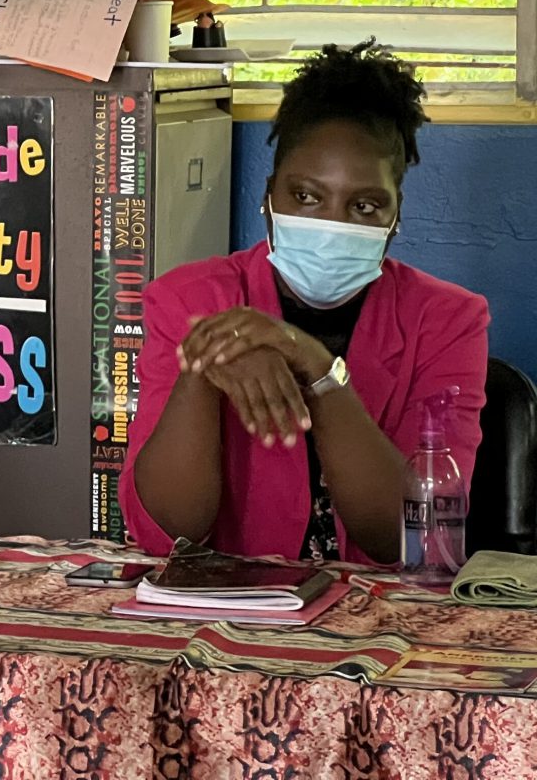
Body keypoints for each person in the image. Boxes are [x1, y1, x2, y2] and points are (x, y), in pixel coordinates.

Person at [122, 42, 489, 564]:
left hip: (374, 623)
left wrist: (317, 367)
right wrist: (205, 365)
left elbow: (413, 540)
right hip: (230, 616)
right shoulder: (190, 300)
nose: (332, 225)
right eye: (307, 197)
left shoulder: (448, 321)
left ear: (395, 214)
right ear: (269, 196)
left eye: (364, 205)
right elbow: (164, 535)